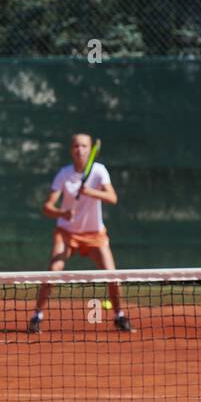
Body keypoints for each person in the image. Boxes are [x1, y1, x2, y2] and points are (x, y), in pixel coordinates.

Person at [28, 133, 132, 334]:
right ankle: (36, 316)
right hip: (67, 233)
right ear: (71, 150)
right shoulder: (64, 174)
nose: (80, 150)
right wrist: (63, 213)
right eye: (76, 146)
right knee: (53, 271)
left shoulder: (99, 171)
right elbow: (47, 206)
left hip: (95, 234)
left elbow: (112, 198)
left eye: (84, 146)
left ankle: (119, 316)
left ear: (90, 149)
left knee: (113, 277)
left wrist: (90, 192)